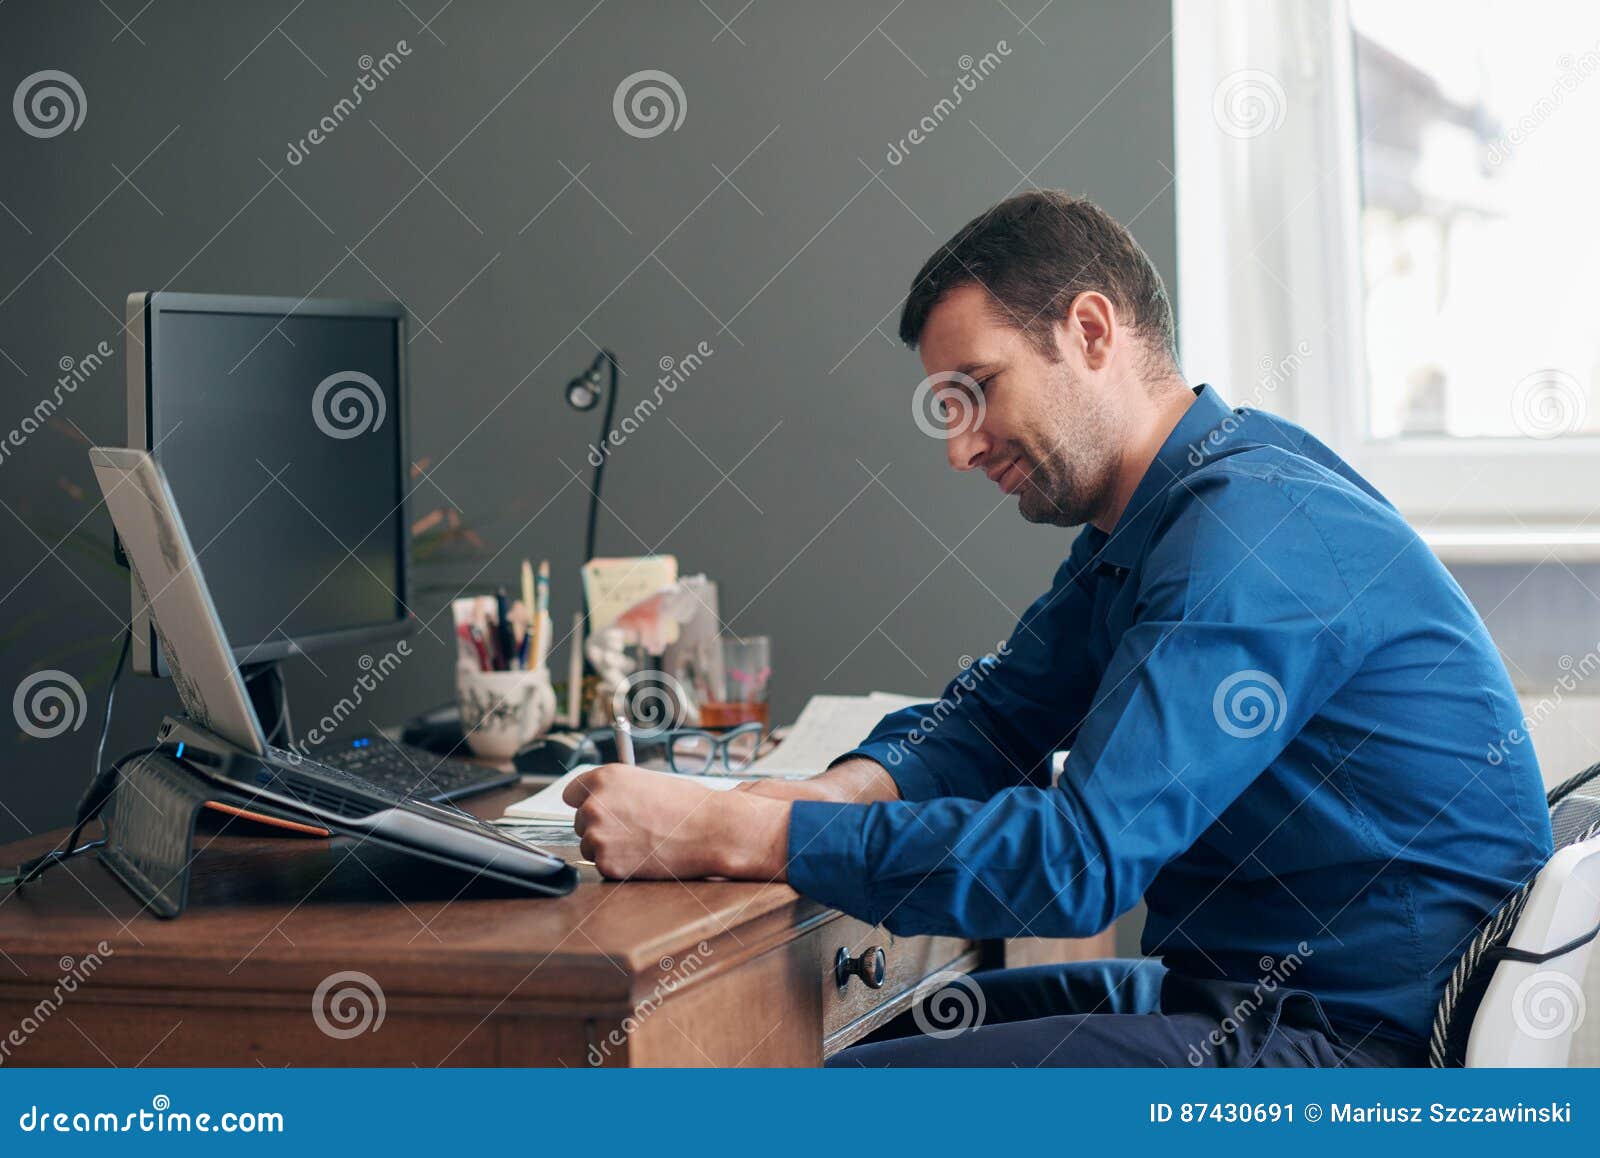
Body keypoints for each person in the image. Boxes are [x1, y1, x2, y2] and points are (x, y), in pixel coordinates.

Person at [563, 190, 1551, 1066]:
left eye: (977, 392)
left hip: (1347, 1053)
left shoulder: (1252, 535)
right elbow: (995, 719)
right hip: (1237, 1000)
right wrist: (835, 790)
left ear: (1088, 330)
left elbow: (1081, 862)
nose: (957, 449)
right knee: (875, 1037)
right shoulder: (1162, 515)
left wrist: (743, 830)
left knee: (820, 1099)